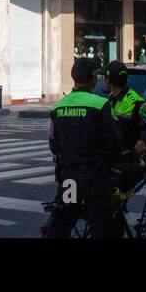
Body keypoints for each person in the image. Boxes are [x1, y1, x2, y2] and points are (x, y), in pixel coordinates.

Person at [45, 59, 112, 238]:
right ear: (92, 78)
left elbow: (54, 144)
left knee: (65, 217)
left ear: (74, 78)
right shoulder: (101, 104)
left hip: (68, 177)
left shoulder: (58, 106)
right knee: (100, 224)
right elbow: (112, 143)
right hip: (94, 178)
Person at [100, 60, 146, 194]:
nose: (103, 81)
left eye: (105, 78)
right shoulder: (112, 98)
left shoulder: (136, 102)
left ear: (109, 81)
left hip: (128, 160)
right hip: (115, 157)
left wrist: (143, 141)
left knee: (115, 199)